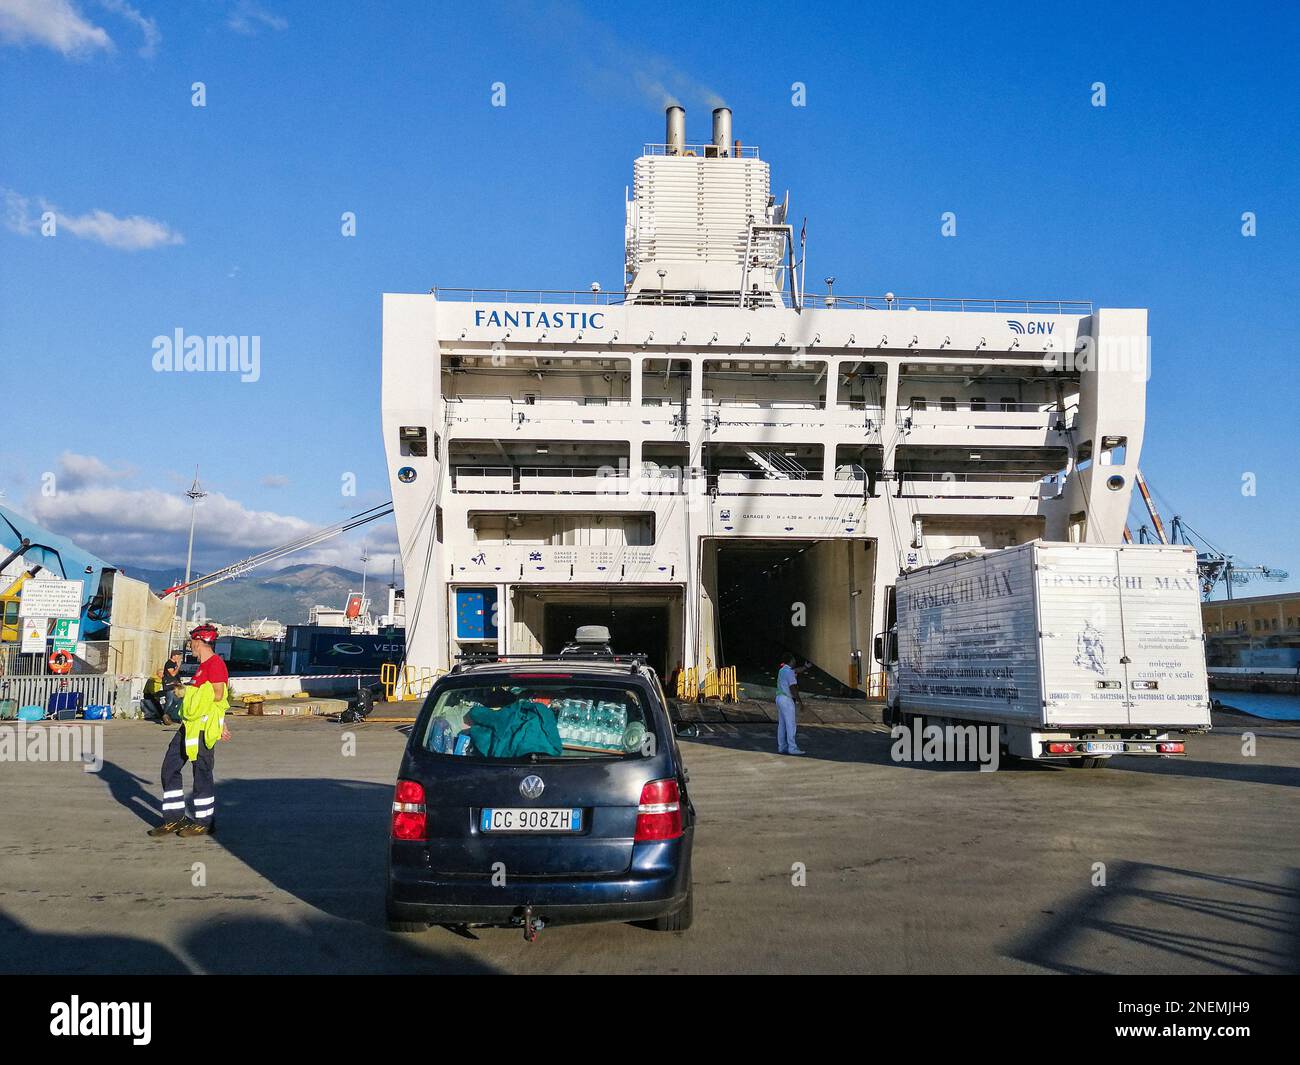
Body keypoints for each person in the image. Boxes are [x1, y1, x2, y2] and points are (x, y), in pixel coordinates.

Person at [148, 624, 229, 838]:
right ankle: (175, 819)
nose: (189, 646)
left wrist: (218, 723)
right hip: (189, 726)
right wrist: (183, 691)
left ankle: (204, 821)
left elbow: (219, 695)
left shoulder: (215, 664)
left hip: (202, 727)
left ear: (199, 642)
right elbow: (206, 694)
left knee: (201, 772)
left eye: (191, 642)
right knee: (169, 767)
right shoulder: (202, 667)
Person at [775, 657, 805, 755]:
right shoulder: (790, 672)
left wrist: (805, 667)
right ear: (790, 661)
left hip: (779, 697)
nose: (795, 661)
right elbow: (793, 688)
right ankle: (792, 748)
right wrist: (800, 702)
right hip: (787, 699)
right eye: (793, 660)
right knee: (791, 724)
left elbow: (796, 670)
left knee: (782, 724)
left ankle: (781, 746)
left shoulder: (782, 670)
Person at [160, 650, 183, 724]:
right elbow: (172, 674)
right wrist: (178, 666)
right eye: (178, 656)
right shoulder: (169, 663)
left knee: (175, 701)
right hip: (169, 686)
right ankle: (165, 716)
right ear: (174, 656)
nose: (179, 657)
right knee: (169, 702)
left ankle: (169, 716)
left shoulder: (174, 664)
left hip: (175, 685)